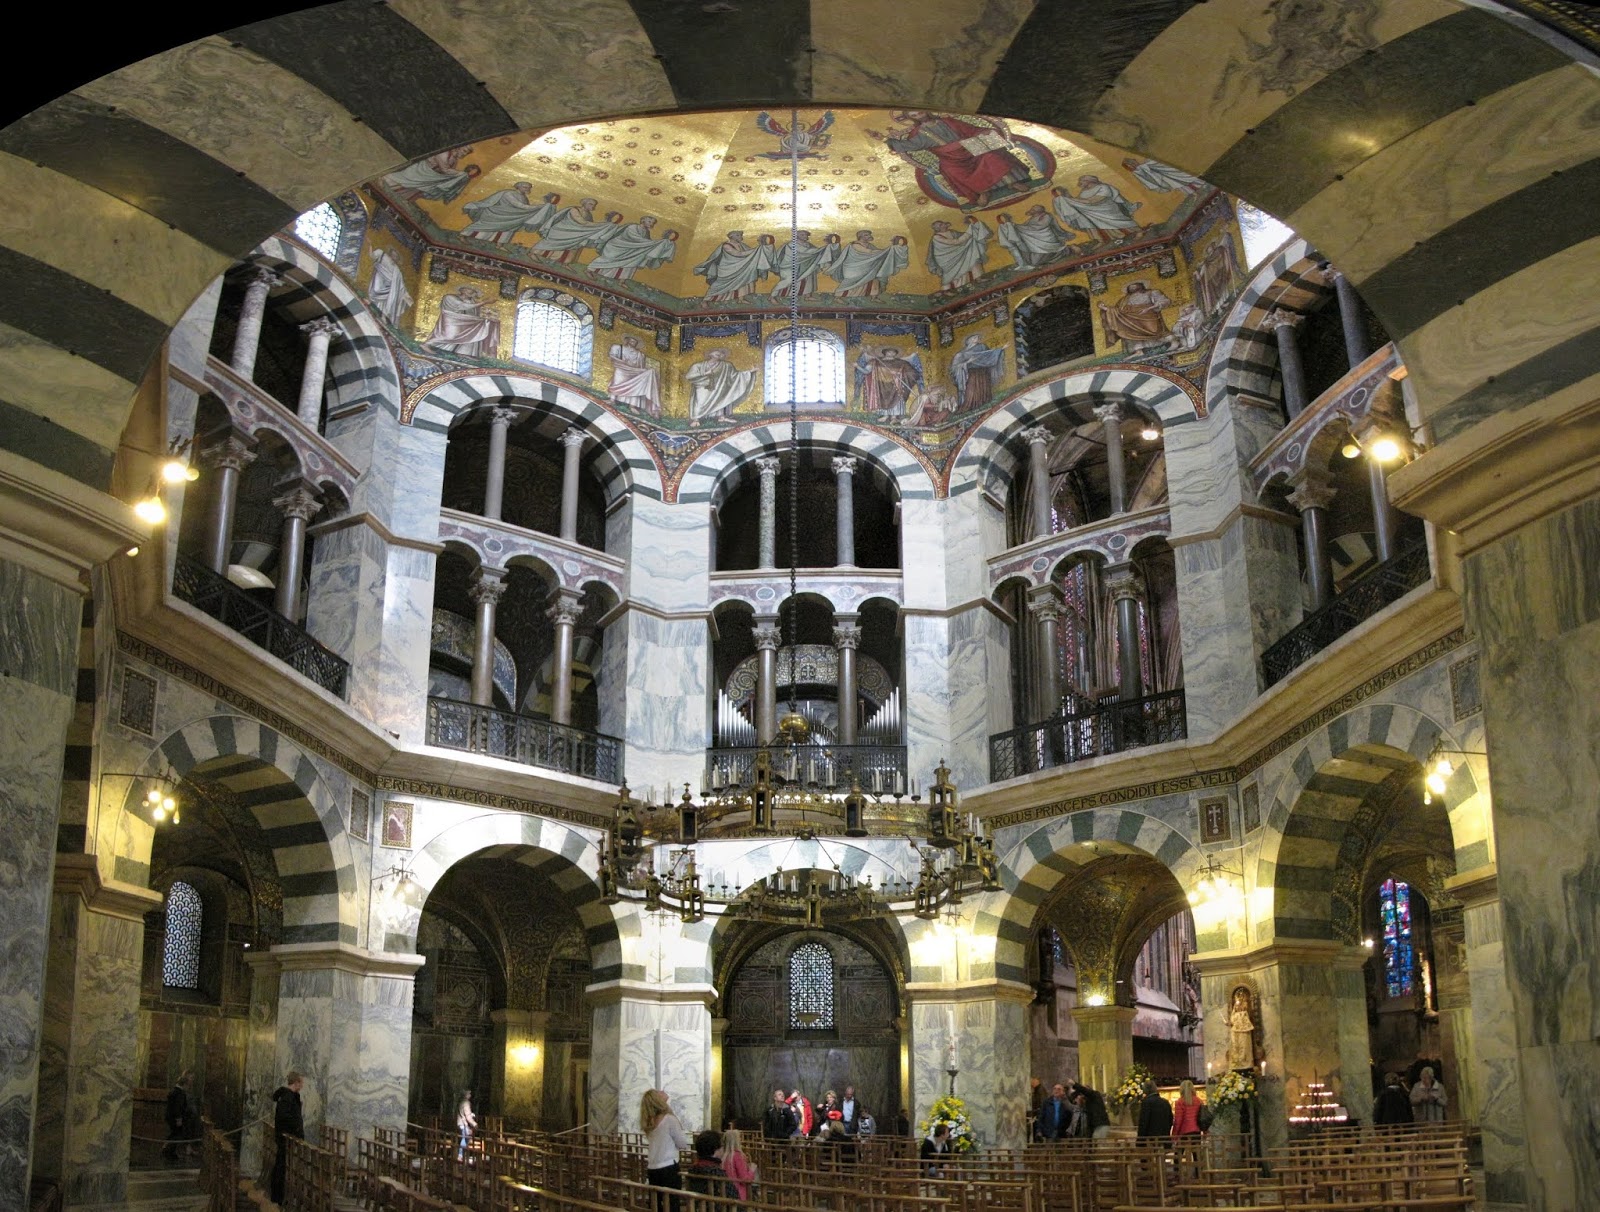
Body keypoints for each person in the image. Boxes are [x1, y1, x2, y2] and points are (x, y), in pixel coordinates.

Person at [461, 183, 559, 244]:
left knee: (509, 229)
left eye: (528, 188)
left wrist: (543, 207)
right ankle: (463, 236)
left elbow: (523, 209)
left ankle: (500, 244)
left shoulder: (524, 197)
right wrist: (541, 206)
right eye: (525, 187)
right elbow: (520, 206)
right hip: (497, 213)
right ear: (518, 186)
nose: (527, 189)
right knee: (483, 225)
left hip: (512, 216)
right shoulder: (509, 193)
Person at [423, 285, 501, 358]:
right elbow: (461, 306)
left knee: (474, 332)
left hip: (465, 321)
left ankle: (464, 352)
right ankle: (427, 344)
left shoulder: (471, 302)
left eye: (474, 291)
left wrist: (487, 318)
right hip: (451, 319)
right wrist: (484, 302)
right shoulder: (449, 297)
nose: (472, 292)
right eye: (470, 290)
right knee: (450, 335)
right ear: (462, 290)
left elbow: (474, 313)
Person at [641, 1088, 689, 1205]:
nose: (662, 1091)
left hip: (652, 1167)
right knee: (672, 1204)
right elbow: (682, 1144)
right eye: (659, 1092)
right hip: (668, 1167)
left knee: (656, 1205)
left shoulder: (648, 1121)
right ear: (658, 1100)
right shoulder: (669, 1119)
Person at [686, 348, 757, 423]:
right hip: (703, 387)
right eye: (716, 352)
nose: (719, 354)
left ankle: (721, 417)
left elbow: (735, 375)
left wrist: (750, 372)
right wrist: (705, 373)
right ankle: (696, 419)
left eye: (721, 353)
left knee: (722, 398)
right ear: (710, 354)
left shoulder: (726, 366)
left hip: (719, 387)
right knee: (700, 402)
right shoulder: (698, 366)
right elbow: (689, 376)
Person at [1099, 280, 1174, 350]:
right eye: (1130, 286)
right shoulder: (1124, 299)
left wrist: (1148, 308)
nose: (1132, 287)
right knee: (1130, 333)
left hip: (1148, 316)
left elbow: (1164, 301)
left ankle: (1172, 342)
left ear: (1141, 285)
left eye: (1134, 285)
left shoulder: (1151, 292)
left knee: (1158, 332)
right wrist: (1105, 308)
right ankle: (1139, 351)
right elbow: (1118, 311)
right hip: (1131, 320)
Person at [925, 216, 992, 292]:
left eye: (942, 223)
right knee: (951, 274)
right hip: (947, 259)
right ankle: (947, 290)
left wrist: (973, 228)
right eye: (940, 225)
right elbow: (956, 242)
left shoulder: (952, 232)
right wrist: (969, 231)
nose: (944, 224)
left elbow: (964, 236)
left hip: (959, 253)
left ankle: (979, 278)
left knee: (973, 256)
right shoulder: (937, 237)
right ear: (938, 228)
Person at [270, 1070, 305, 1205]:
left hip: (286, 1137)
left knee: (282, 1166)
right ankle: (278, 1197)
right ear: (296, 1082)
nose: (302, 1085)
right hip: (286, 1138)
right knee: (281, 1166)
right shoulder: (287, 1097)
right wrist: (296, 1129)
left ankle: (280, 1196)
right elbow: (284, 1118)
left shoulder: (289, 1096)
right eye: (301, 1082)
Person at [606, 335, 663, 416]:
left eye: (635, 342)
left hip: (635, 372)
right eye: (632, 340)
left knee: (641, 379)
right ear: (627, 340)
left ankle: (633, 405)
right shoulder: (618, 347)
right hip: (621, 368)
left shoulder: (640, 354)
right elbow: (612, 356)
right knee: (618, 376)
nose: (633, 343)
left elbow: (641, 367)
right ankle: (612, 399)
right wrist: (622, 362)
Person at [366, 247, 413, 327]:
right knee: (376, 290)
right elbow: (372, 256)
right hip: (380, 278)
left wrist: (406, 295)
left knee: (390, 299)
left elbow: (400, 284)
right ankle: (370, 301)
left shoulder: (396, 269)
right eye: (393, 255)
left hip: (390, 288)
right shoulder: (383, 256)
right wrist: (370, 247)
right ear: (390, 253)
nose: (394, 257)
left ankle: (384, 315)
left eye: (396, 256)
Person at [717, 1128, 756, 1201]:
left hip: (724, 1193)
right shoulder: (737, 1156)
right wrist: (752, 1170)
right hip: (737, 1194)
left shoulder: (722, 1156)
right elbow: (745, 1180)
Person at [685, 1129, 727, 1196]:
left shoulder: (692, 1169)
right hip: (716, 1205)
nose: (723, 1149)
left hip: (695, 1205)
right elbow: (732, 1195)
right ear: (716, 1149)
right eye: (722, 1146)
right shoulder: (717, 1172)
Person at [162, 1071, 193, 1161]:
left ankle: (168, 1149)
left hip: (170, 1117)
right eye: (188, 1086)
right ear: (185, 1085)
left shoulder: (174, 1091)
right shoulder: (180, 1093)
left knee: (174, 1133)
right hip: (175, 1118)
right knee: (177, 1134)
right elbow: (177, 1107)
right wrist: (179, 1119)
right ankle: (169, 1151)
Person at [1227, 988, 1256, 1070]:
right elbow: (1232, 1020)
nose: (1237, 1006)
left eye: (1242, 996)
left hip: (1244, 1031)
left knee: (1244, 1046)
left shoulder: (1245, 1012)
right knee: (1235, 1046)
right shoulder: (1234, 1012)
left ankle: (1245, 1063)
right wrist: (1229, 1023)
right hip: (1235, 1032)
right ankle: (1236, 1063)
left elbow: (1247, 1018)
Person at [456, 1089, 477, 1162]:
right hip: (464, 1123)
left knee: (464, 1138)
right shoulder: (466, 1103)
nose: (470, 1095)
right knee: (465, 1139)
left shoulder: (461, 1102)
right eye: (469, 1094)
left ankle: (462, 1154)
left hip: (460, 1123)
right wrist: (474, 1123)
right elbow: (467, 1116)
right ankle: (461, 1155)